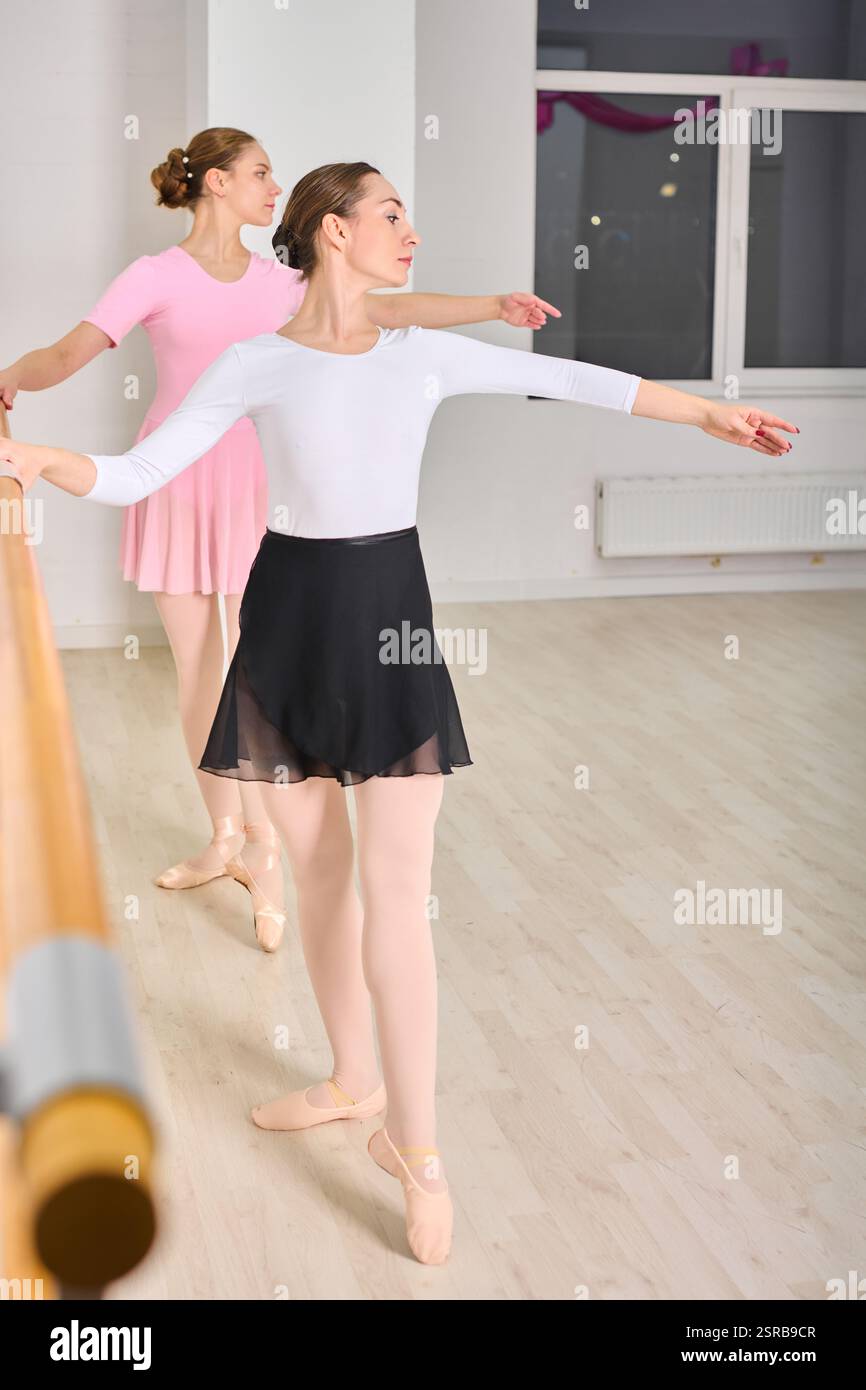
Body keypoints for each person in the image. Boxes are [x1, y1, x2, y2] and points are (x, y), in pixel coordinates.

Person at [0, 161, 798, 1265]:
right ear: (332, 233)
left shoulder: (419, 353)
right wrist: (39, 456)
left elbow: (570, 380)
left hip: (391, 619)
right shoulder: (256, 362)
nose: (409, 233)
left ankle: (418, 1154)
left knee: (394, 890)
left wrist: (705, 412)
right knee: (321, 874)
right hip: (287, 619)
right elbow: (142, 472)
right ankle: (348, 1078)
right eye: (390, 215)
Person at [0, 129, 559, 953]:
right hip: (175, 476)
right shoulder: (154, 277)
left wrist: (491, 306)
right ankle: (226, 832)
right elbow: (71, 351)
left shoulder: (281, 281)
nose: (274, 187)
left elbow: (389, 310)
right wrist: (9, 380)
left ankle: (266, 846)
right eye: (261, 173)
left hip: (266, 483)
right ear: (217, 183)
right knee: (197, 664)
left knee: (253, 666)